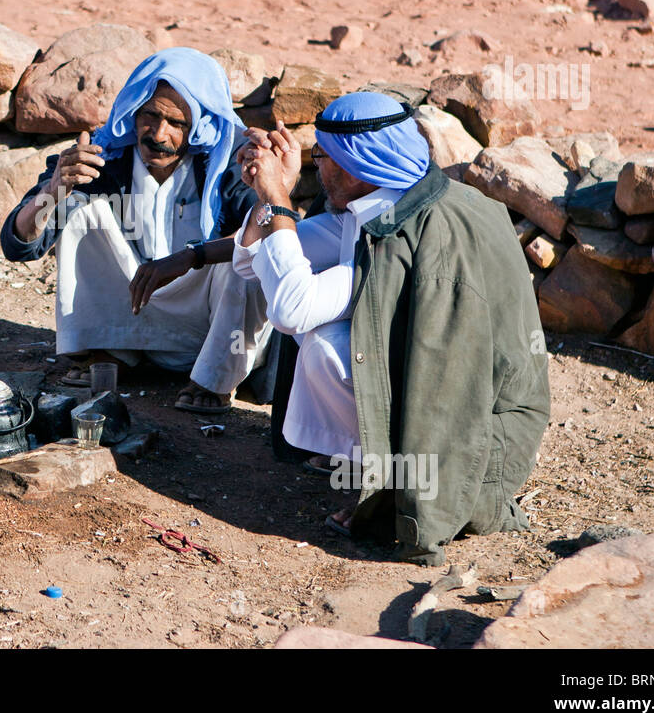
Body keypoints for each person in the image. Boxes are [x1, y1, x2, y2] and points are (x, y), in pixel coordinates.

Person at [234, 91, 549, 566]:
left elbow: (291, 310)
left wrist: (279, 197)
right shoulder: (381, 204)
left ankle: (385, 487)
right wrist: (269, 200)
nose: (317, 168)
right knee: (321, 336)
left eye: (323, 157)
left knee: (324, 343)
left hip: (485, 436)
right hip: (465, 405)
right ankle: (365, 461)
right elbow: (249, 265)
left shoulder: (399, 235)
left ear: (356, 165)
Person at [0, 47, 272, 414]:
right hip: (134, 311)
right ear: (133, 111)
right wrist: (52, 190)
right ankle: (107, 350)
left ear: (201, 126)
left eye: (177, 124)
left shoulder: (230, 161)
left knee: (248, 253)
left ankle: (214, 379)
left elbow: (277, 231)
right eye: (150, 116)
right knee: (82, 212)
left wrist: (192, 256)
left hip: (208, 324)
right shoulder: (102, 156)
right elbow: (19, 246)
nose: (158, 134)